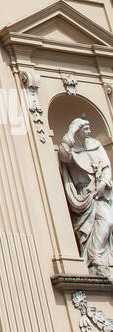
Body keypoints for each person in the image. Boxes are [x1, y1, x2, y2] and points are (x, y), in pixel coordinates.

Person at [59, 115, 113, 277]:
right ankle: (94, 258)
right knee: (101, 223)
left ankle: (98, 257)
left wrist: (103, 183)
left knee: (108, 221)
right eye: (85, 128)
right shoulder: (72, 150)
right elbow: (64, 154)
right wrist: (71, 131)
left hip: (102, 192)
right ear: (78, 131)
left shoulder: (95, 145)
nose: (89, 131)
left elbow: (106, 167)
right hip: (86, 195)